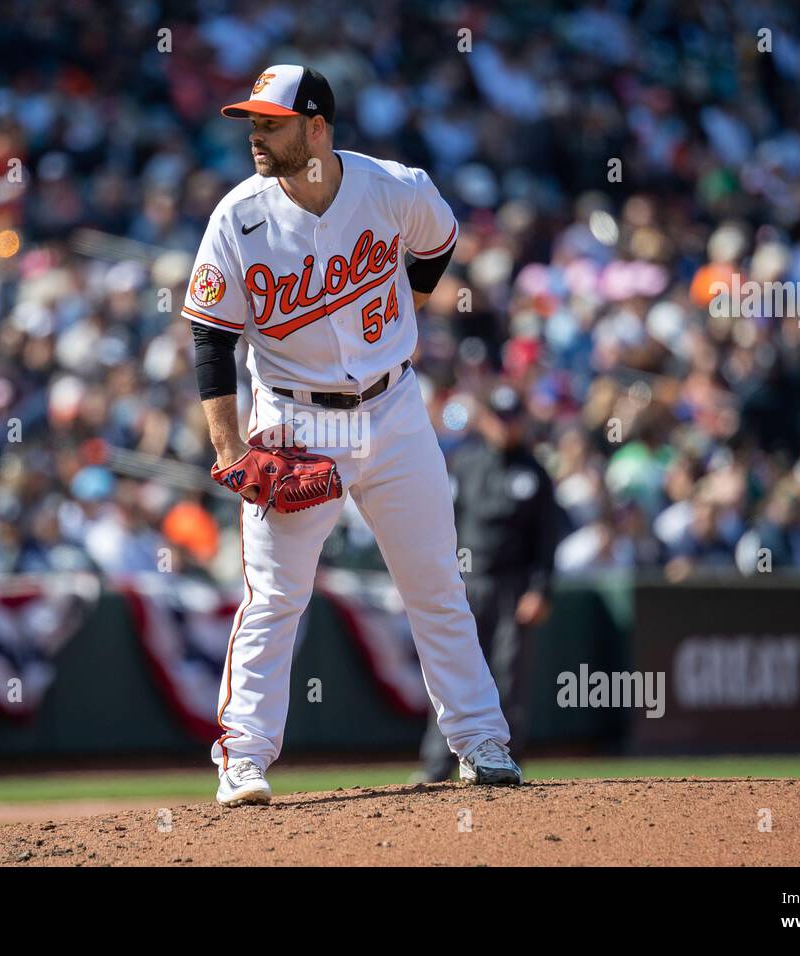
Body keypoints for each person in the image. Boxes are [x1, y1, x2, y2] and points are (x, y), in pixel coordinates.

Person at [183, 64, 522, 807]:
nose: (256, 138)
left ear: (317, 128)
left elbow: (440, 239)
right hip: (295, 419)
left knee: (435, 581)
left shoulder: (390, 186)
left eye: (270, 123)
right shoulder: (237, 218)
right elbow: (211, 339)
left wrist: (412, 301)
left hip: (394, 406)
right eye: (252, 124)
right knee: (275, 595)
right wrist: (229, 448)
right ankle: (243, 758)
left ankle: (480, 740)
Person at [413, 384, 559, 783]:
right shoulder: (466, 462)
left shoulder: (535, 471)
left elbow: (547, 540)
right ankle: (436, 765)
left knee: (508, 676)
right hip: (466, 583)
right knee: (450, 669)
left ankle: (505, 759)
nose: (505, 427)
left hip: (513, 586)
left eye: (513, 419)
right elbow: (446, 521)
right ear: (486, 419)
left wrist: (541, 589)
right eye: (499, 418)